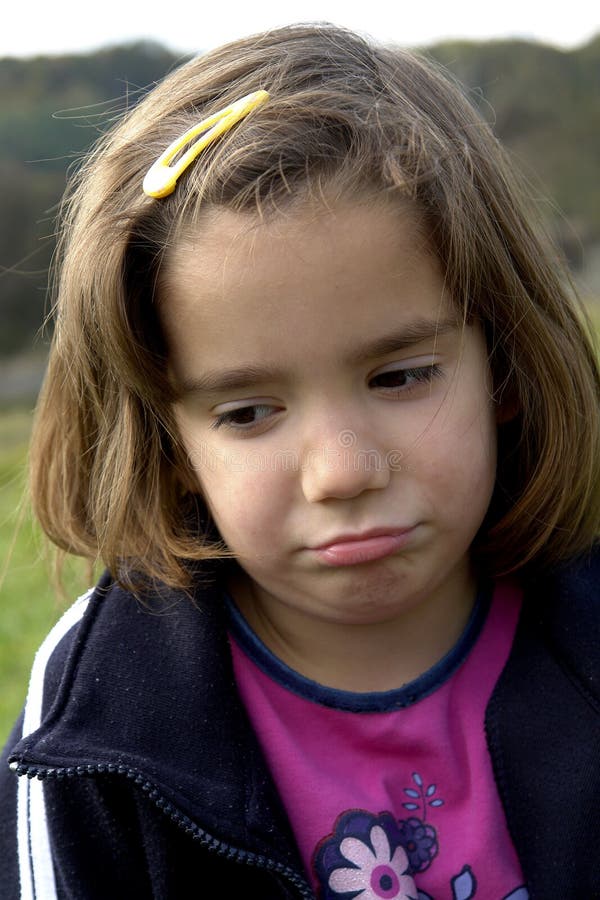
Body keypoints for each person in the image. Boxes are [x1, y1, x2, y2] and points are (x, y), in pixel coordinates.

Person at [0, 22, 598, 900]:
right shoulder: (103, 711)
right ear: (170, 448)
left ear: (503, 364)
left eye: (399, 376)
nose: (342, 472)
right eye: (248, 412)